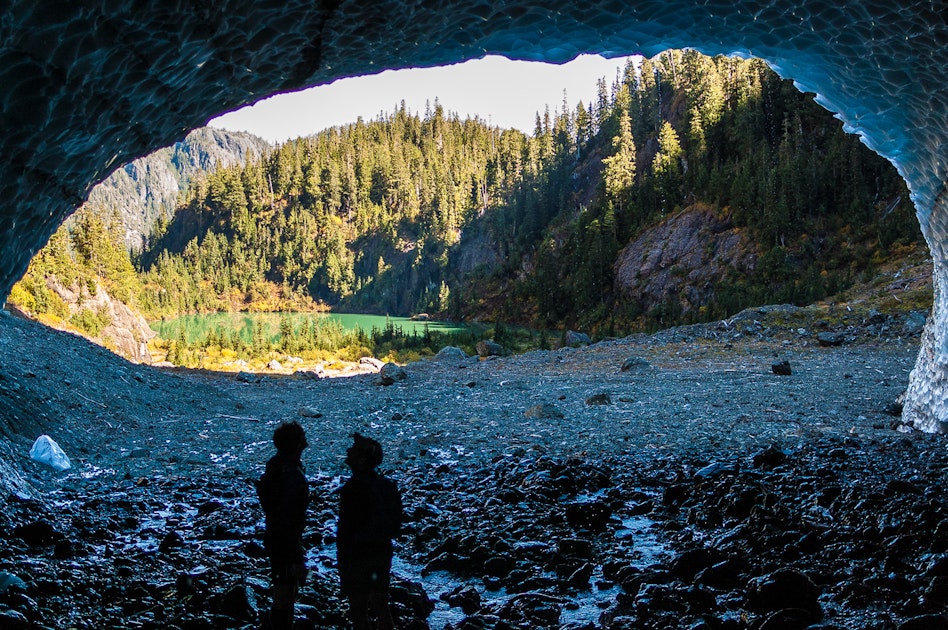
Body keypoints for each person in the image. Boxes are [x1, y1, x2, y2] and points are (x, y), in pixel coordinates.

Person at [337, 433, 403, 630]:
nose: (348, 451)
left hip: (358, 555)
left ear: (362, 460)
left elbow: (346, 530)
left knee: (358, 610)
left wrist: (343, 562)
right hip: (382, 552)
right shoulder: (387, 486)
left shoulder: (352, 488)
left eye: (354, 449)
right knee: (382, 605)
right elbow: (397, 523)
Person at [257, 421, 310, 630]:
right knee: (285, 594)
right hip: (285, 540)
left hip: (275, 535)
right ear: (297, 444)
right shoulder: (291, 474)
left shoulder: (275, 468)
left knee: (285, 591)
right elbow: (289, 517)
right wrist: (297, 556)